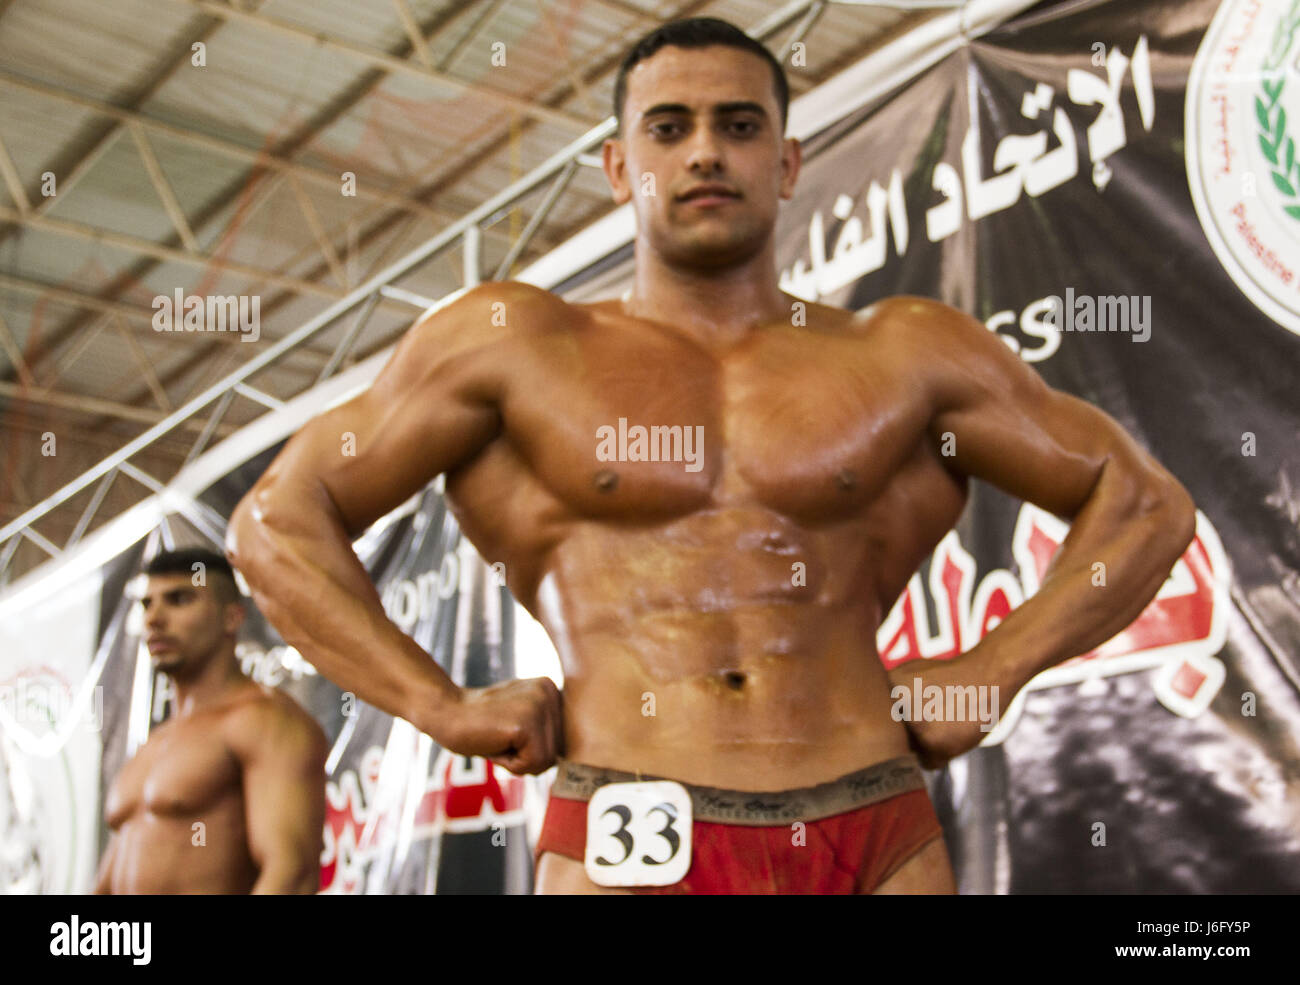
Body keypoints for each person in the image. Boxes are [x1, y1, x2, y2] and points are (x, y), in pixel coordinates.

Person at [227, 17, 1196, 894]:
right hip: (629, 817)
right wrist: (438, 704)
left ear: (785, 162)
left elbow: (1142, 504)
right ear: (617, 166)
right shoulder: (509, 344)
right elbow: (278, 521)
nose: (703, 152)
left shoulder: (906, 353)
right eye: (668, 127)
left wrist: (993, 666)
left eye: (738, 126)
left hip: (875, 823)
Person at [93, 548, 327, 894]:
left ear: (231, 617)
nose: (154, 617)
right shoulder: (152, 746)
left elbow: (290, 874)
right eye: (147, 604)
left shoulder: (265, 720)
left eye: (178, 599)